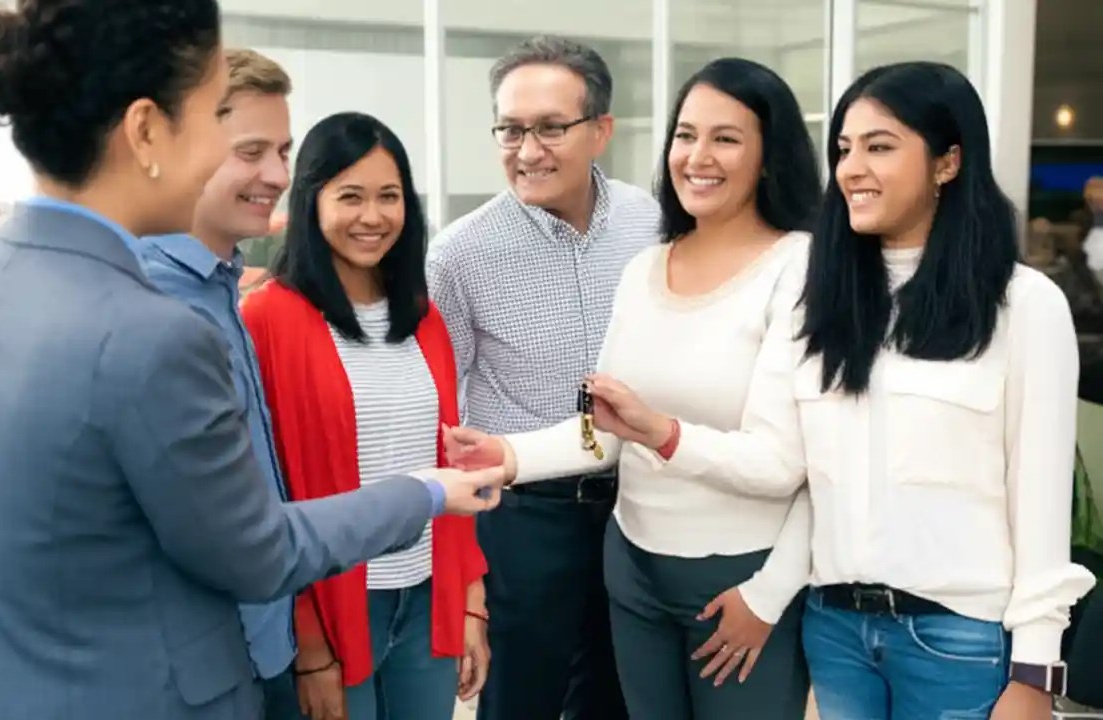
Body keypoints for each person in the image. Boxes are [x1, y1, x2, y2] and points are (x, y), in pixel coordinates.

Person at [0, 4, 506, 719]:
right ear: (146, 131)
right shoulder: (149, 330)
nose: (264, 172)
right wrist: (427, 493)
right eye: (218, 128)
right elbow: (256, 552)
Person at [473, 61, 1095, 720]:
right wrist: (508, 455)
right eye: (845, 149)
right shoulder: (840, 294)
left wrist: (1035, 670)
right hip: (837, 629)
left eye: (879, 147)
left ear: (947, 162)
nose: (852, 168)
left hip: (955, 635)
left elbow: (1039, 507)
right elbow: (818, 476)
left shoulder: (1023, 305)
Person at [448, 57, 820, 719]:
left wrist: (768, 595)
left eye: (725, 138)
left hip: (738, 578)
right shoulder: (648, 262)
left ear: (769, 156)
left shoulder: (800, 266)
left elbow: (792, 465)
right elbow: (604, 430)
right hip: (629, 568)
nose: (697, 157)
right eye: (685, 135)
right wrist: (507, 456)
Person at [426, 34, 659, 720]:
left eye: (551, 128)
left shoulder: (652, 222)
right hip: (524, 521)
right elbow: (442, 417)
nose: (528, 151)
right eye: (510, 129)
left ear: (601, 132)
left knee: (618, 699)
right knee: (520, 703)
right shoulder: (458, 256)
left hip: (636, 509)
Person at [241, 112, 490, 720]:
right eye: (350, 196)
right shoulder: (267, 318)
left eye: (389, 196)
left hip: (427, 597)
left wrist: (469, 600)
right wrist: (309, 648)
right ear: (311, 200)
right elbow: (267, 499)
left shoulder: (422, 317)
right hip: (330, 609)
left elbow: (447, 463)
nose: (372, 217)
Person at [135, 48, 300, 717]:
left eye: (284, 151)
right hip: (207, 674)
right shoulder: (146, 302)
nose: (278, 175)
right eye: (252, 151)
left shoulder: (223, 287)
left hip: (266, 645)